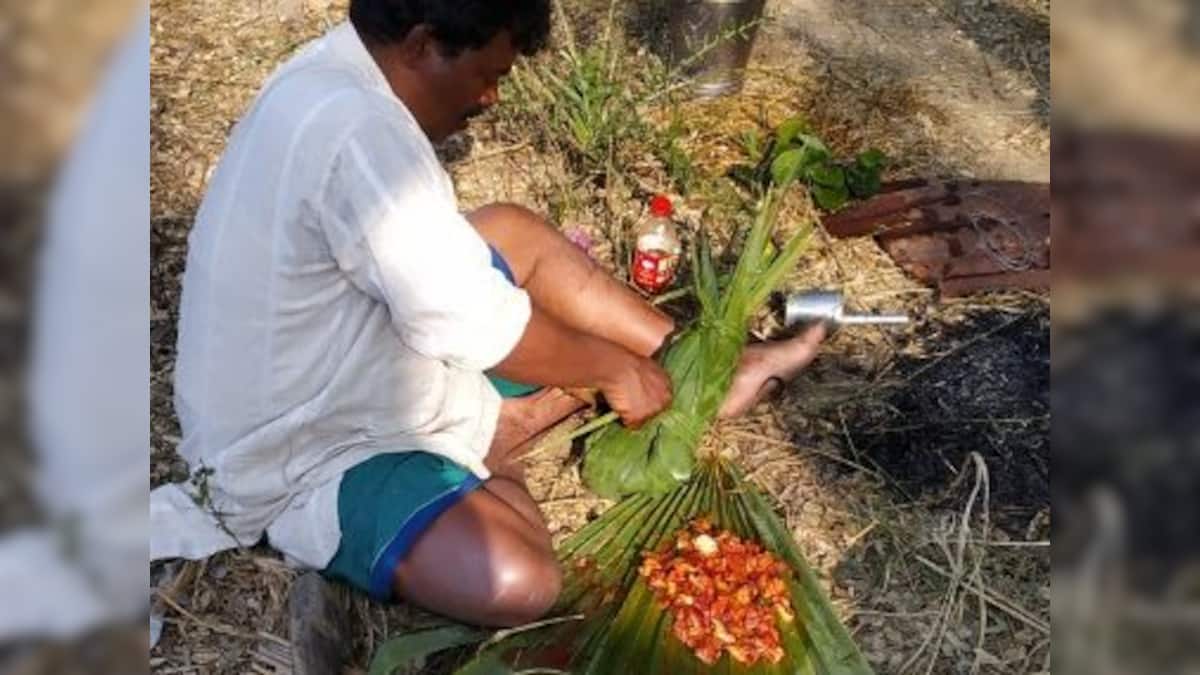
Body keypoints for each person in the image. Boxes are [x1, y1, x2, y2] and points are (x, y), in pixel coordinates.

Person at [149, 0, 826, 661]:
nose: (493, 98)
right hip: (304, 449)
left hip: (347, 354)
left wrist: (604, 362)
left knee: (512, 232)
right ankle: (506, 438)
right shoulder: (357, 134)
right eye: (487, 74)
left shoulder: (332, 73)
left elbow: (446, 287)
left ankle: (694, 361)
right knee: (520, 581)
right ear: (419, 45)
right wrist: (607, 370)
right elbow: (470, 323)